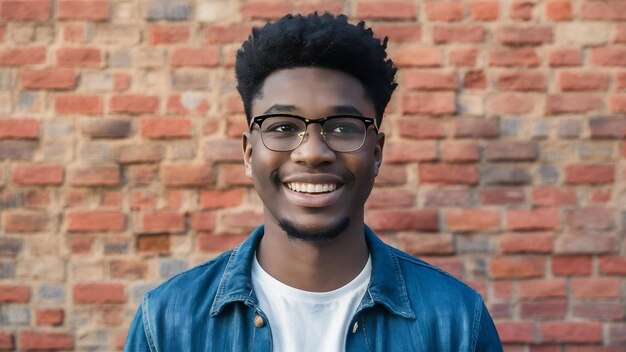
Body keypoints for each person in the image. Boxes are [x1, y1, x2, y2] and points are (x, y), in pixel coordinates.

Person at [125, 13, 502, 351]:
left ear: (376, 152)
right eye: (283, 127)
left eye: (342, 127)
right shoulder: (168, 323)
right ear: (248, 153)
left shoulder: (455, 321)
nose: (312, 152)